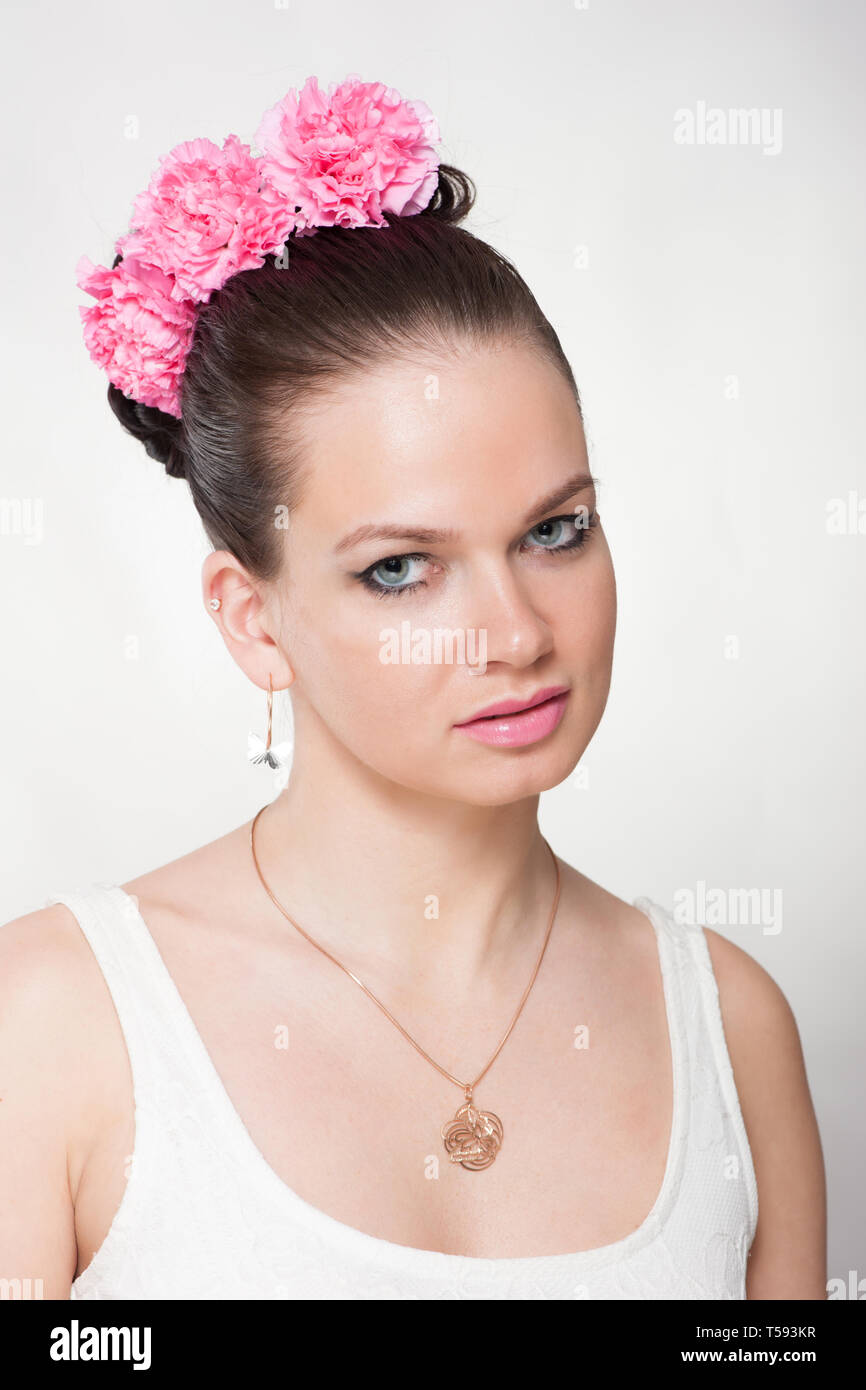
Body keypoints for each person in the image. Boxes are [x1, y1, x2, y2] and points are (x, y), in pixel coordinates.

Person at [0, 74, 825, 1300]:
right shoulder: (54, 1026)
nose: (510, 632)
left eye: (554, 532)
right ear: (254, 618)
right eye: (400, 569)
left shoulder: (728, 1025)